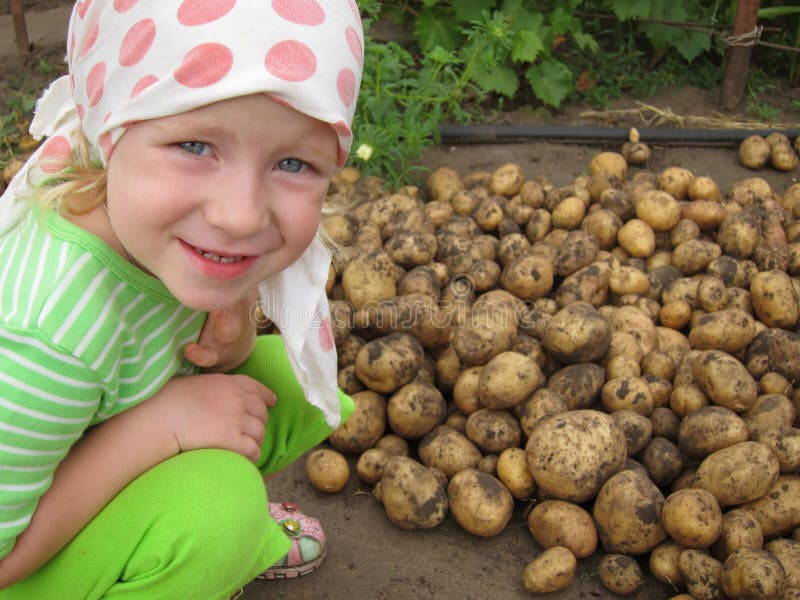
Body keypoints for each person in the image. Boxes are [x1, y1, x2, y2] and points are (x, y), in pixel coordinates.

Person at [0, 1, 363, 598]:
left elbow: (212, 355)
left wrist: (230, 331)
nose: (240, 216)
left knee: (286, 380)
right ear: (111, 129)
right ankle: (173, 545)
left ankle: (153, 537)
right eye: (195, 146)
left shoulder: (158, 226)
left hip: (88, 437)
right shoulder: (47, 332)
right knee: (218, 512)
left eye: (293, 162)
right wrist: (163, 428)